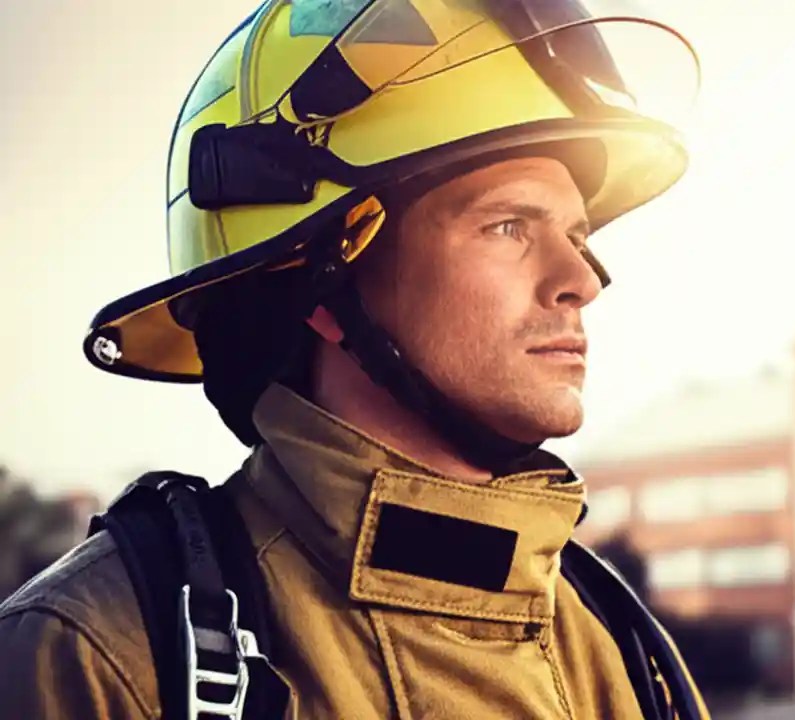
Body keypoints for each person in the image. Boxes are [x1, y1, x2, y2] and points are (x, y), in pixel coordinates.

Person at [0, 0, 707, 718]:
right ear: (319, 278)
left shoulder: (616, 645)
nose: (581, 280)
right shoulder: (101, 657)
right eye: (508, 225)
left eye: (578, 234)